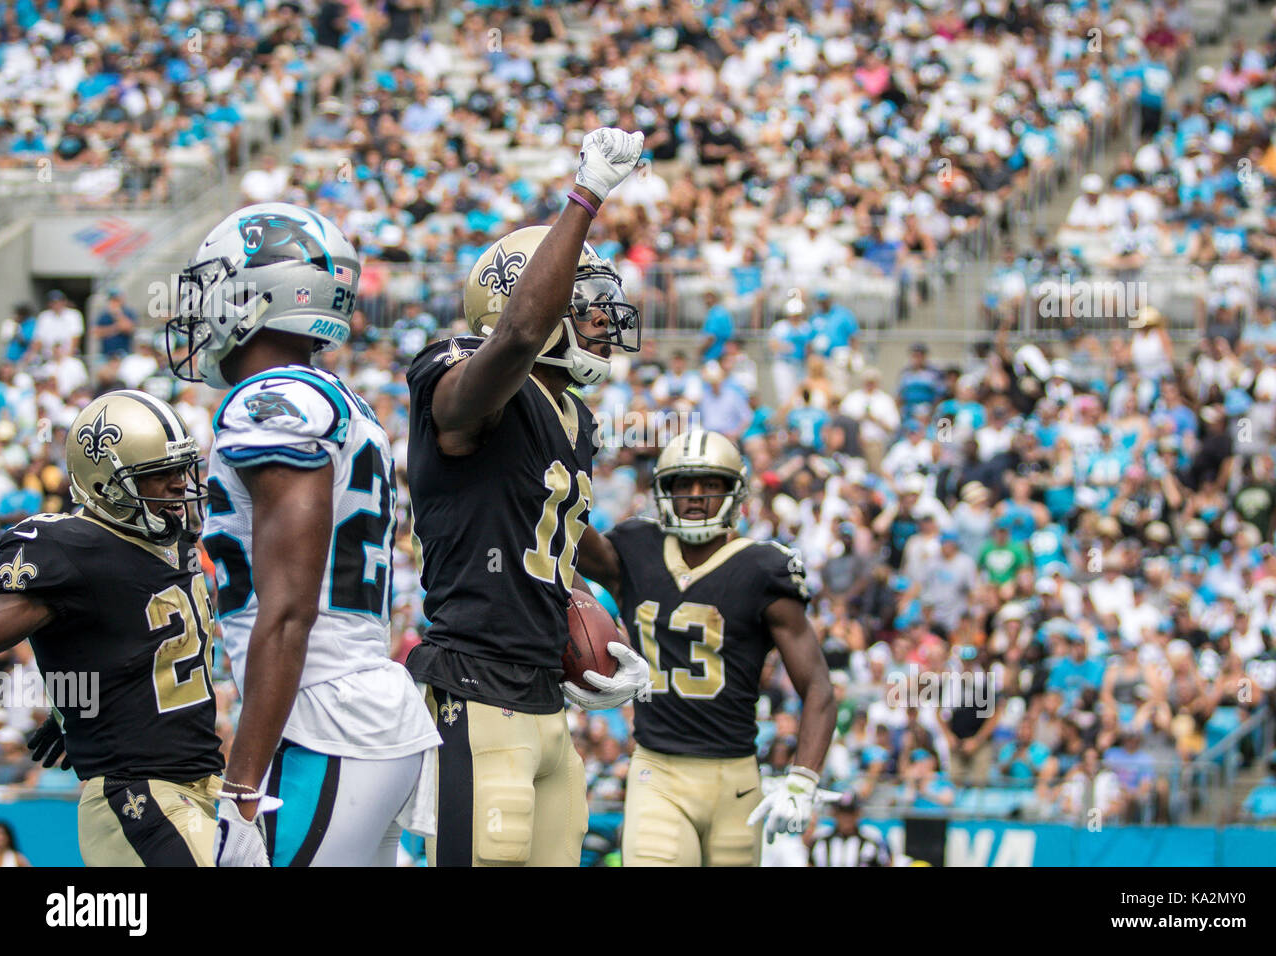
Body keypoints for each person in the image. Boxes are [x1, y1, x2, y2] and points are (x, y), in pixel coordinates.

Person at [402, 128, 652, 867]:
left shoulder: (575, 416)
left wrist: (598, 641)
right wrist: (585, 197)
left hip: (545, 698)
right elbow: (513, 340)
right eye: (584, 304)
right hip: (476, 691)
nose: (603, 320)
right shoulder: (458, 375)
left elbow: (544, 548)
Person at [167, 201, 440, 866]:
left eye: (215, 285)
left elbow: (290, 610)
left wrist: (241, 787)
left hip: (325, 721)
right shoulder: (338, 399)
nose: (201, 304)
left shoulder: (271, 402)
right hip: (358, 716)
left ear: (259, 292)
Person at [576, 429, 838, 866]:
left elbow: (818, 687)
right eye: (684, 484)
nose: (696, 497)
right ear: (664, 490)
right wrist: (550, 480)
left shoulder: (762, 568)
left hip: (735, 779)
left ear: (734, 492)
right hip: (657, 770)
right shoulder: (636, 547)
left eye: (711, 484)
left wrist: (803, 778)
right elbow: (563, 536)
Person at [0, 391, 223, 866]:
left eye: (181, 469)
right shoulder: (73, 547)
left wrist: (78, 704)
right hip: (139, 791)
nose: (179, 485)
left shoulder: (172, 541)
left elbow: (122, 635)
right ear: (105, 484)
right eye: (159, 474)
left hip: (203, 784)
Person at [806, 791, 892, 867]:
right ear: (834, 814)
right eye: (842, 813)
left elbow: (886, 863)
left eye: (850, 813)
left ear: (858, 814)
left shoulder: (872, 838)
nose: (846, 818)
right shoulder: (820, 839)